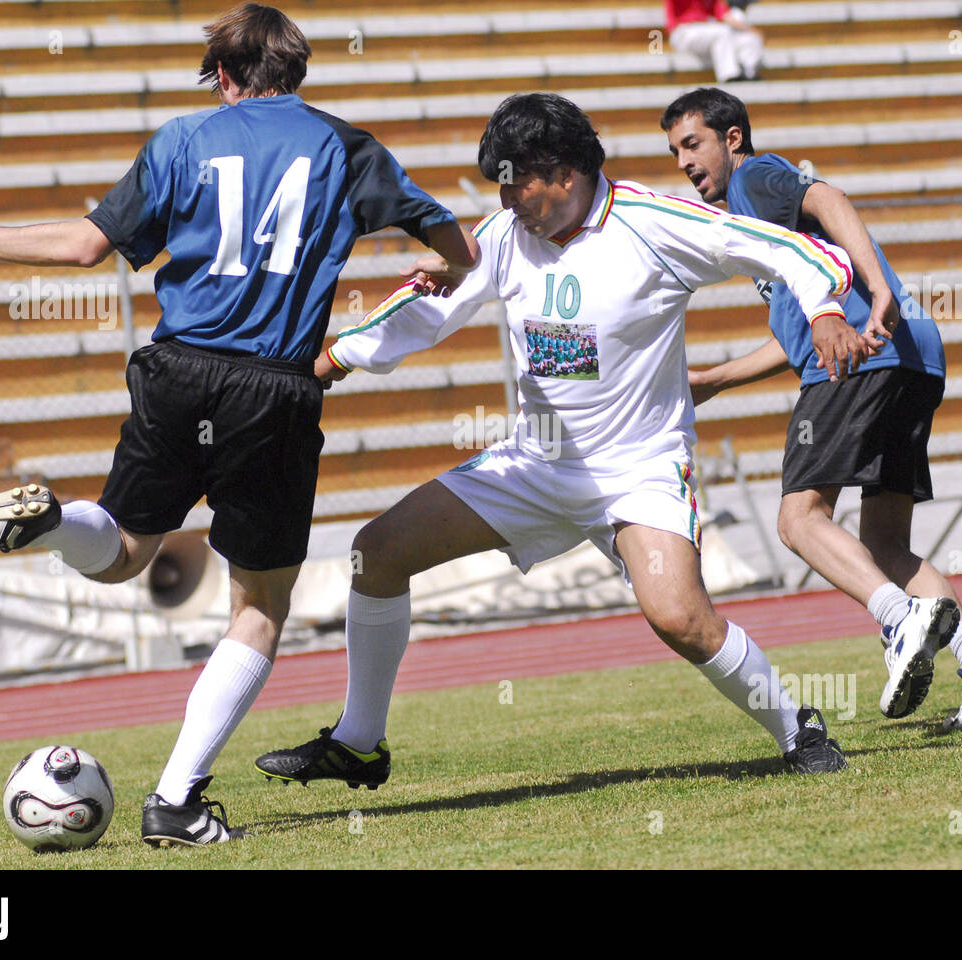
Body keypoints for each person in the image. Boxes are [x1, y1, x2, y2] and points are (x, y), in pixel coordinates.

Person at [0, 2, 479, 846]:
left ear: (223, 77)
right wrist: (445, 264)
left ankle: (54, 520)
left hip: (175, 370)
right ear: (296, 71)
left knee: (123, 553)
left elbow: (82, 249)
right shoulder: (345, 146)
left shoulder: (180, 139)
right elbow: (456, 243)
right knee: (258, 605)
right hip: (271, 389)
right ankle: (175, 802)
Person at [254, 92, 855, 793]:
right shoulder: (509, 234)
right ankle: (358, 744)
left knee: (681, 619)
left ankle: (796, 727)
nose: (507, 200)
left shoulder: (653, 222)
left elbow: (792, 249)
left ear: (563, 173)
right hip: (536, 462)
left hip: (639, 467)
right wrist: (327, 367)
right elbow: (429, 307)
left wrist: (824, 309)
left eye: (516, 182)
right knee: (376, 554)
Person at [660, 87, 962, 729]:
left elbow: (828, 197)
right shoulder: (759, 227)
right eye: (673, 151)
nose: (682, 162)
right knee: (886, 544)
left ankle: (897, 619)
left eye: (692, 144)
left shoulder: (754, 179)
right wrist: (717, 379)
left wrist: (881, 286)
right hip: (915, 360)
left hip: (861, 357)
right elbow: (795, 334)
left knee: (799, 519)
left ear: (730, 139)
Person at [666, 0, 764, 83]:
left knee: (750, 38)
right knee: (721, 32)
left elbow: (725, 16)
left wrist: (751, 30)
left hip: (709, 32)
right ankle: (730, 77)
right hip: (683, 32)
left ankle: (749, 73)